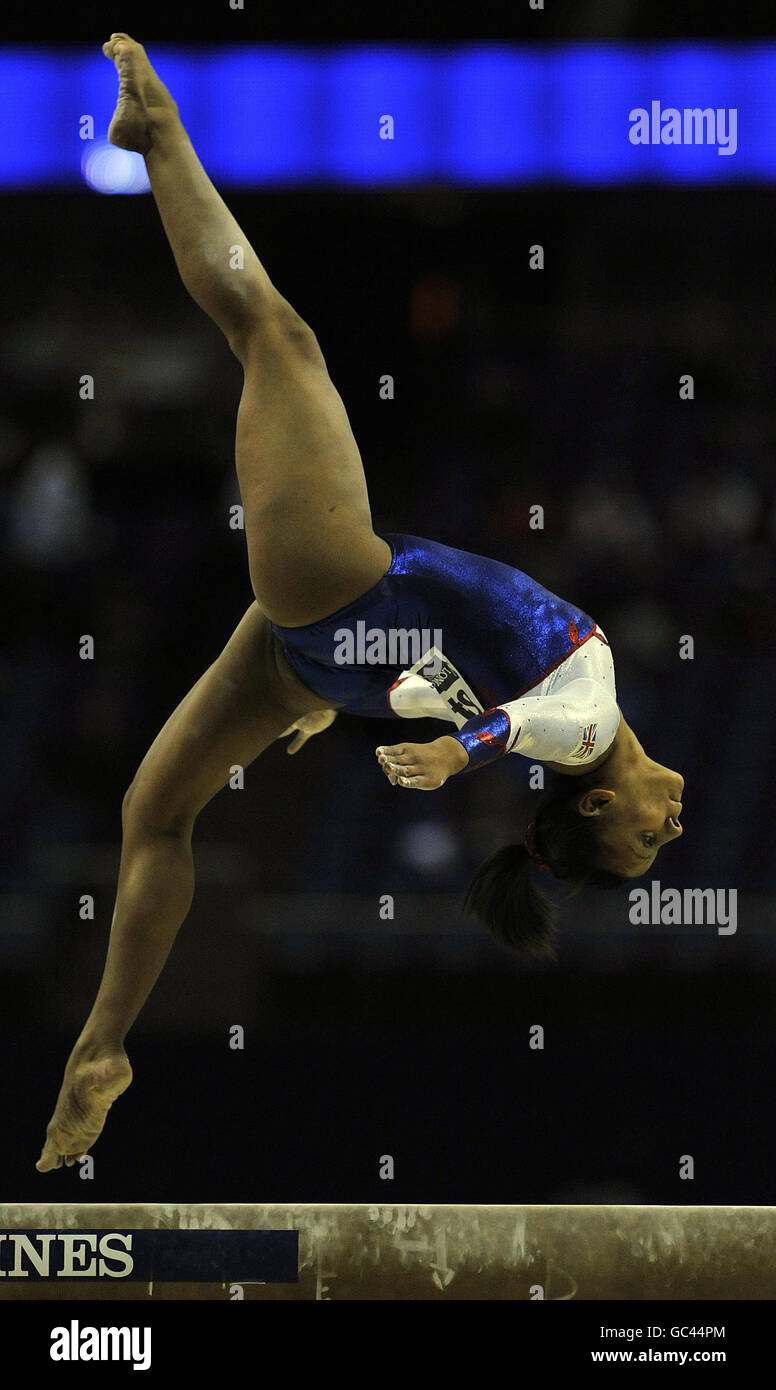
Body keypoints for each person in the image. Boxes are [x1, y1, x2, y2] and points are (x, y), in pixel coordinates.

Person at [35, 34, 684, 1172]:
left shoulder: (586, 728)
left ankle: (160, 138)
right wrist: (358, 705)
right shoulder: (573, 714)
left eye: (640, 841)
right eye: (660, 840)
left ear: (592, 808)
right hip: (309, 648)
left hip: (337, 582)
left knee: (275, 334)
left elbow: (517, 724)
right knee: (155, 815)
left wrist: (456, 753)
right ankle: (100, 1046)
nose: (666, 826)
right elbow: (443, 677)